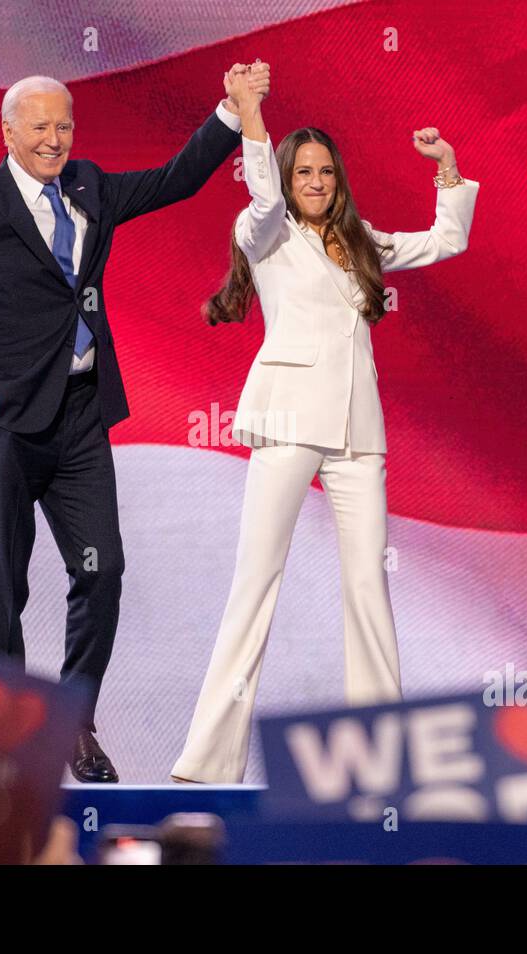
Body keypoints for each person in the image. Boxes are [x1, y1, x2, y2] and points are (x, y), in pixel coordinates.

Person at [0, 69, 265, 782]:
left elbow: (175, 180)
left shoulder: (91, 188)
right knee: (4, 582)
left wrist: (230, 109)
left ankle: (73, 720)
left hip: (78, 418)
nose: (54, 139)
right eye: (38, 127)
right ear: (8, 133)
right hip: (5, 424)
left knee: (103, 571)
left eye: (63, 126)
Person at [172, 64, 479, 783]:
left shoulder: (361, 240)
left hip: (356, 433)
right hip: (286, 419)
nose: (315, 181)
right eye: (302, 171)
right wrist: (250, 113)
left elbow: (445, 242)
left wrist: (448, 171)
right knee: (256, 582)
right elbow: (261, 193)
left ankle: (380, 758)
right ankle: (209, 763)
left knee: (369, 581)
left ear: (338, 179)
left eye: (324, 171)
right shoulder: (266, 232)